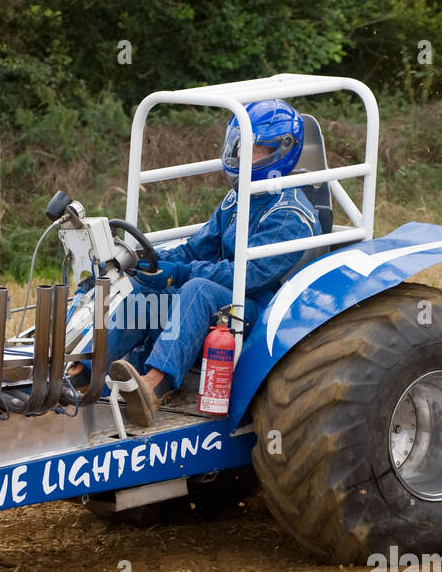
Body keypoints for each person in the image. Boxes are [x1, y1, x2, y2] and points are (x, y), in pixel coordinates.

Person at [93, 98, 321, 427]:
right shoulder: (239, 197)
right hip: (227, 296)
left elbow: (252, 277)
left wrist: (183, 274)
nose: (246, 157)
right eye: (244, 148)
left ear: (282, 151)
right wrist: (148, 264)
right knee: (145, 296)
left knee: (198, 289)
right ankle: (84, 373)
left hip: (262, 310)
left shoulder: (290, 215)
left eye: (258, 150)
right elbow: (198, 247)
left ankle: (153, 388)